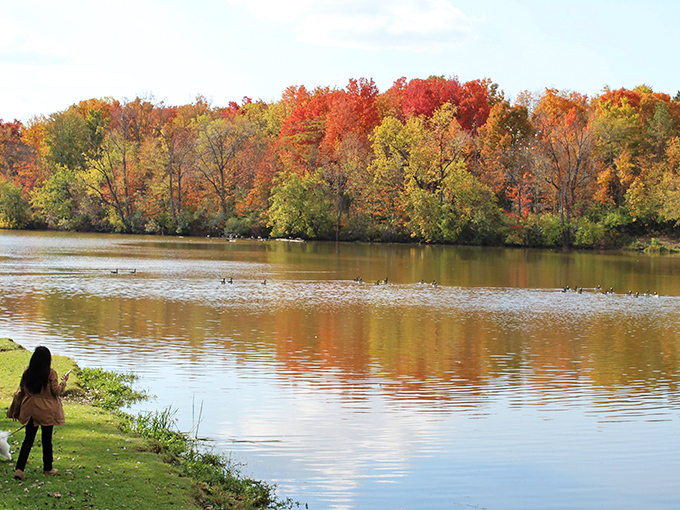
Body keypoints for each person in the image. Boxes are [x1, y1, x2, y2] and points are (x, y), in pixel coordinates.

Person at [13, 346, 70, 481]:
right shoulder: (51, 373)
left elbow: (21, 391)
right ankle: (47, 467)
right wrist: (64, 382)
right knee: (46, 439)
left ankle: (19, 469)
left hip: (30, 409)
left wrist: (15, 410)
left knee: (28, 440)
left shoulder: (28, 372)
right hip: (46, 410)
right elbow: (55, 391)